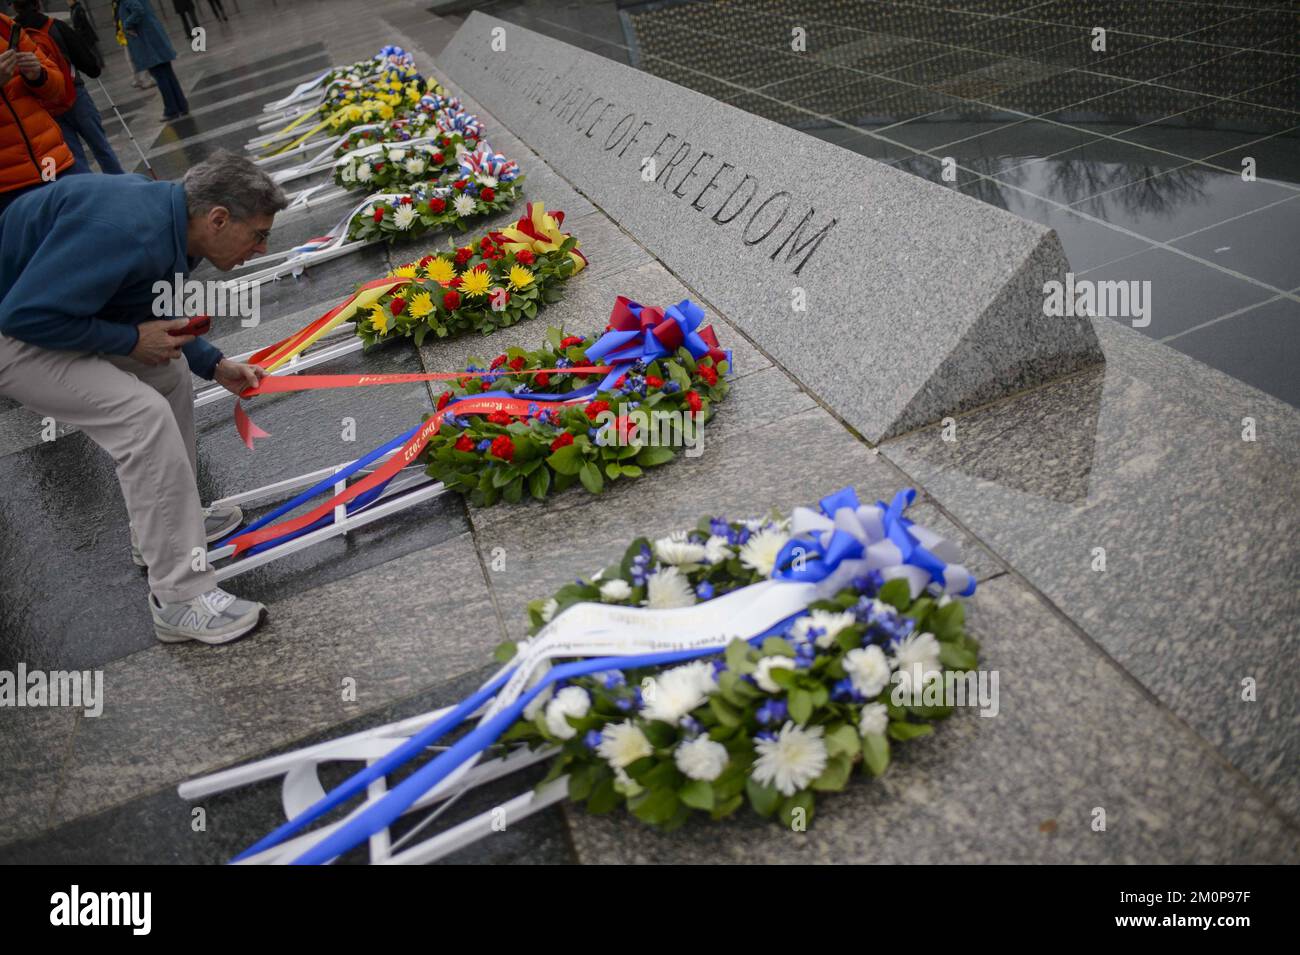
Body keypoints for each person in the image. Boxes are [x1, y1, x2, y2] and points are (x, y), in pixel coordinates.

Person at [0, 152, 287, 645]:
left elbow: (142, 307)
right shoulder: (128, 229)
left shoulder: (170, 220)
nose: (260, 249)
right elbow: (24, 316)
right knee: (141, 416)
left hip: (38, 312)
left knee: (168, 374)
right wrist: (130, 342)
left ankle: (164, 530)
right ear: (218, 218)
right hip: (14, 329)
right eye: (258, 234)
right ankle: (179, 598)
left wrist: (214, 365)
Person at [10, 0, 124, 175]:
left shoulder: (13, 37)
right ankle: (120, 185)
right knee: (101, 147)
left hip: (46, 106)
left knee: (75, 159)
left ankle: (86, 196)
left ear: (13, 7)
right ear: (38, 2)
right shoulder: (55, 26)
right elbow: (91, 67)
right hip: (74, 95)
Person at [0, 9, 74, 216]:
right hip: (10, 188)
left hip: (52, 164)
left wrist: (38, 75)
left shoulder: (5, 26)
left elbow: (58, 89)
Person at [117, 0, 185, 120]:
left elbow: (138, 10)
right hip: (154, 37)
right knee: (168, 74)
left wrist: (127, 25)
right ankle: (181, 106)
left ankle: (171, 110)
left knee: (160, 76)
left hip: (147, 41)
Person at [66, 0, 99, 67]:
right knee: (89, 51)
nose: (68, 2)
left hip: (86, 35)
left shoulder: (78, 8)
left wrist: (79, 30)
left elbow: (83, 22)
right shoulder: (73, 10)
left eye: (69, 1)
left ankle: (97, 64)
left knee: (93, 51)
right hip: (81, 35)